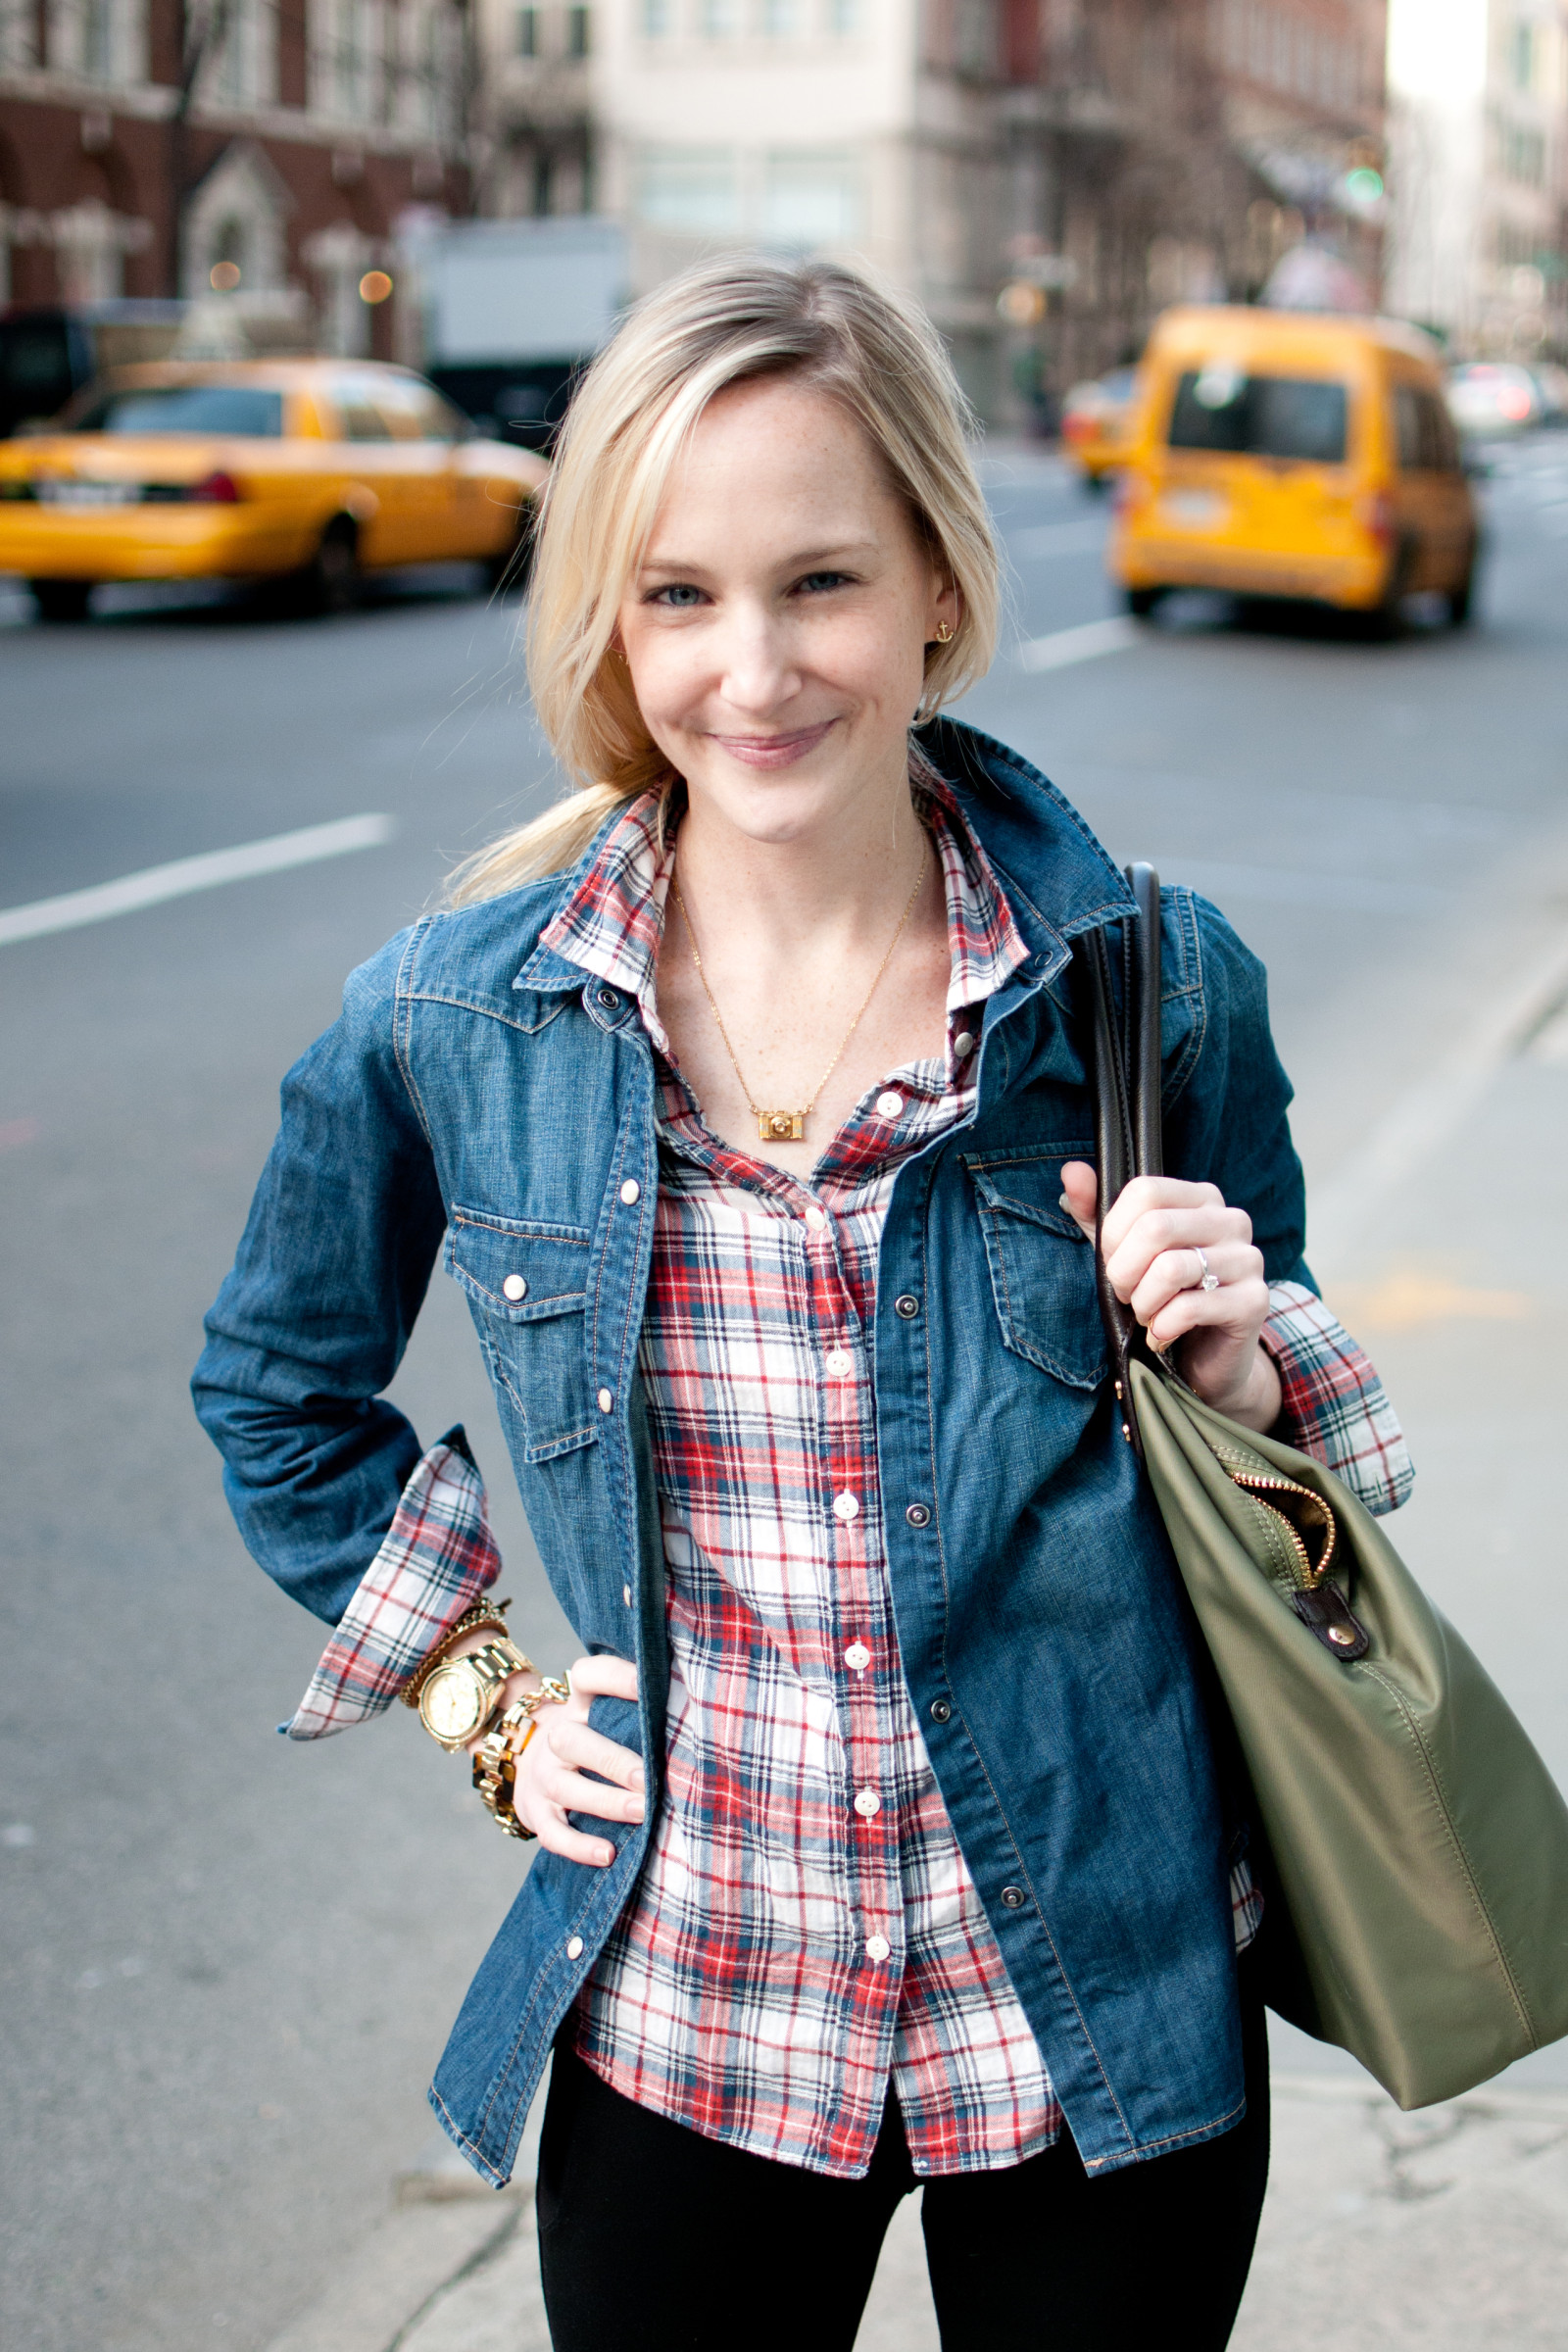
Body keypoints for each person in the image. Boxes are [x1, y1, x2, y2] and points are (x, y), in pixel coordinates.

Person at [193, 258, 1411, 2352]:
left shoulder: (1146, 982)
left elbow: (1304, 1490)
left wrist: (1237, 1362)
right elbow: (277, 1391)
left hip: (1098, 2005)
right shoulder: (453, 1019)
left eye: (817, 584)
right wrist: (478, 1692)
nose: (747, 671)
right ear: (606, 614)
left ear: (938, 582)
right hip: (694, 2004)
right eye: (674, 595)